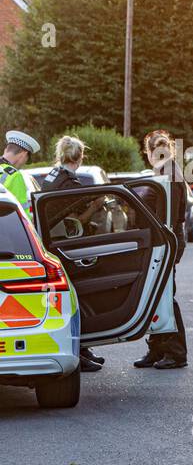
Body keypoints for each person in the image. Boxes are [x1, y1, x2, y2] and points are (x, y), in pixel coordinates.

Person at [39, 136, 105, 373]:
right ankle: (78, 352)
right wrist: (96, 207)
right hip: (65, 247)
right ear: (80, 157)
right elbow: (77, 220)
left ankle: (83, 350)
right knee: (76, 300)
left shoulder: (54, 176)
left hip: (53, 246)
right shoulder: (70, 185)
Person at [134, 129, 188, 369]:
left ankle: (176, 352)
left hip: (166, 241)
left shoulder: (169, 175)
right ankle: (157, 348)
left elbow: (169, 217)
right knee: (158, 296)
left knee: (166, 297)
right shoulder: (164, 171)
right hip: (163, 240)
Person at [1, 130, 40, 212]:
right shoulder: (14, 175)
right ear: (24, 154)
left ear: (6, 150)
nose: (23, 164)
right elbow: (22, 212)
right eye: (27, 160)